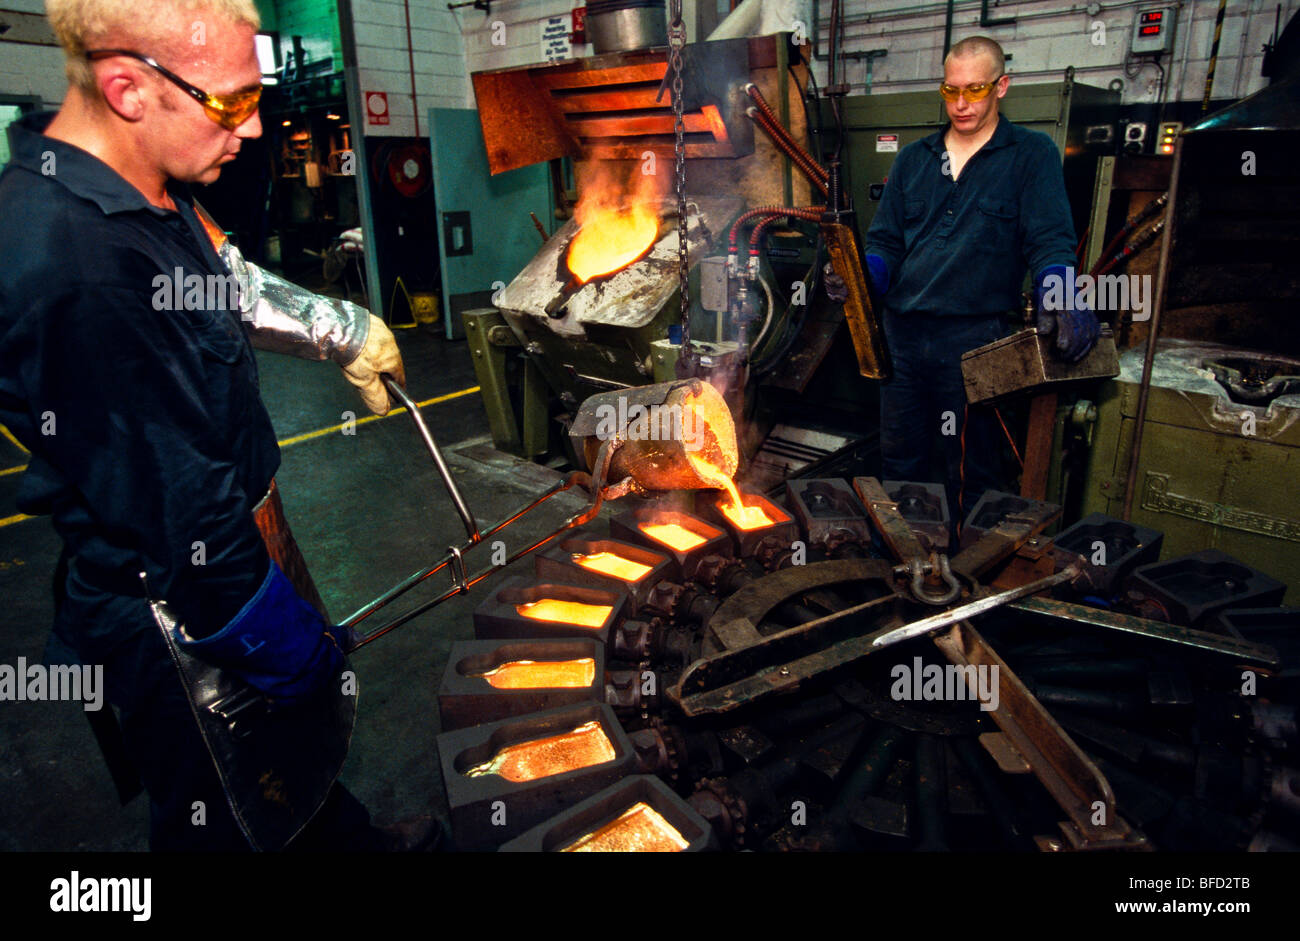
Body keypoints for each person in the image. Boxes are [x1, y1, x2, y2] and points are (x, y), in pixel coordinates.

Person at [0, 0, 426, 850]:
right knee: (222, 813)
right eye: (231, 102)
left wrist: (337, 329)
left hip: (232, 552)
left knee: (286, 767)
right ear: (128, 87)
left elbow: (214, 279)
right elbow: (185, 521)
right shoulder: (80, 267)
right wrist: (295, 651)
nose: (258, 125)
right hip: (183, 609)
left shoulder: (135, 185)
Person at [852, 35, 1098, 528]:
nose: (961, 104)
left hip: (975, 340)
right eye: (950, 90)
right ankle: (906, 563)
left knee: (970, 465)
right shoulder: (914, 159)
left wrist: (1061, 291)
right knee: (901, 460)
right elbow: (886, 241)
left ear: (1002, 86)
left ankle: (968, 575)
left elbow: (1049, 238)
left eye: (976, 89)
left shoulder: (1030, 154)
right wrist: (863, 279)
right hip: (902, 335)